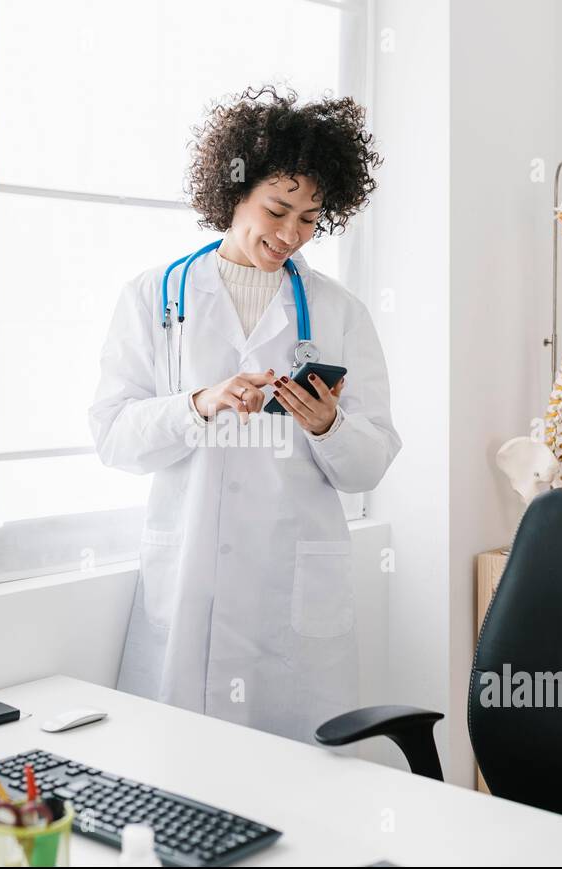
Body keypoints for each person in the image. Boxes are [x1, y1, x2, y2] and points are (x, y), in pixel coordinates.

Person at [88, 85, 399, 745]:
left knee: (299, 801)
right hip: (190, 575)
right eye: (278, 209)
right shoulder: (153, 296)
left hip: (293, 595)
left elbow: (370, 464)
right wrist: (197, 405)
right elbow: (114, 438)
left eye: (311, 219)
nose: (290, 234)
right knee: (182, 778)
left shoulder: (340, 313)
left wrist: (327, 426)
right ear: (234, 193)